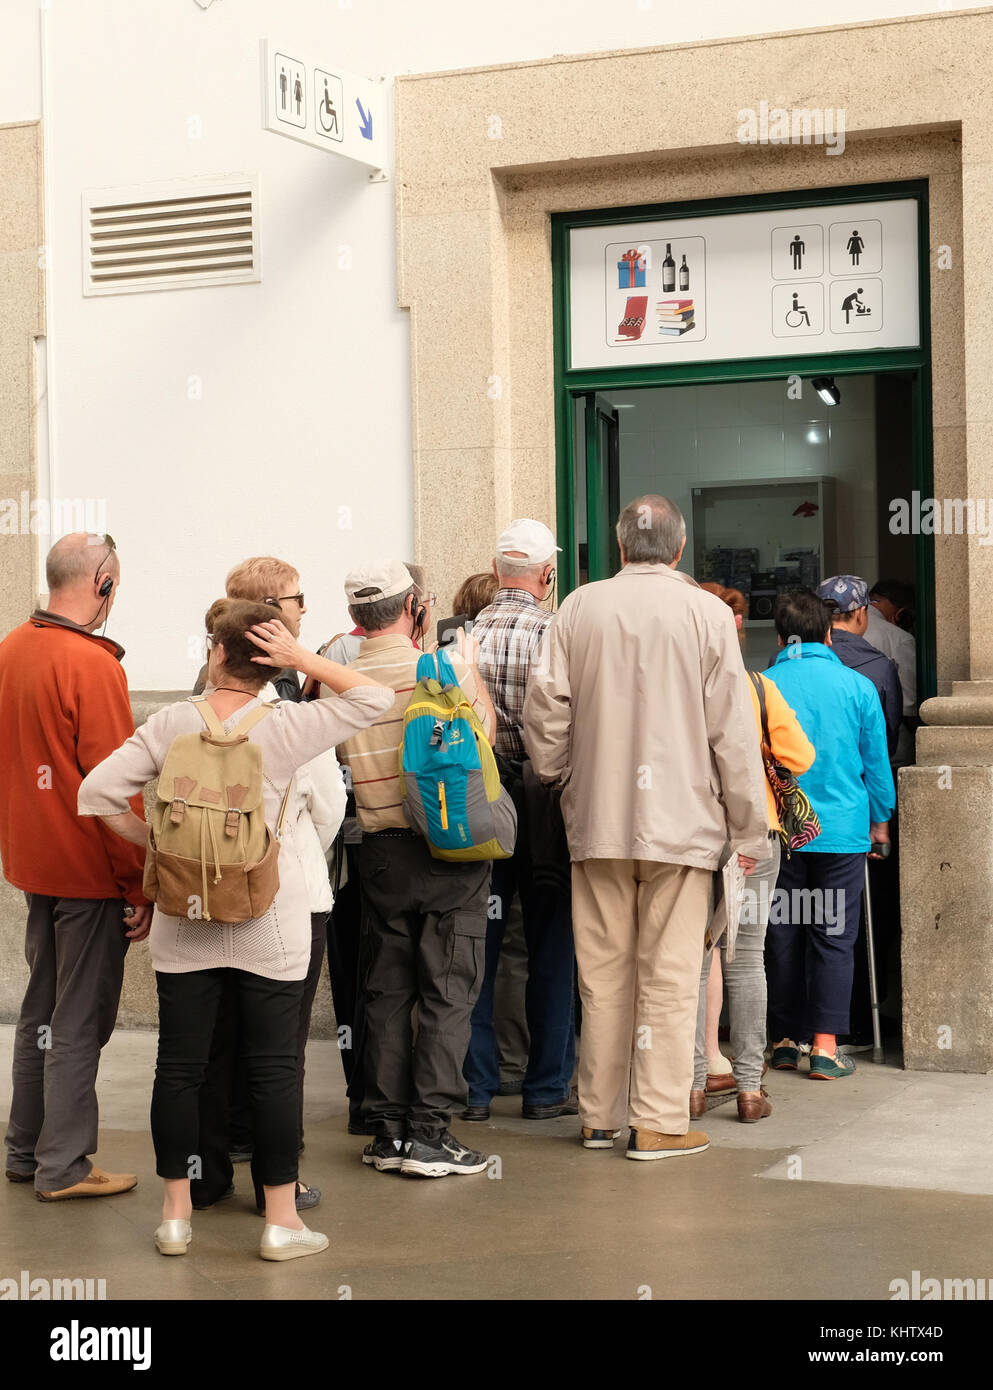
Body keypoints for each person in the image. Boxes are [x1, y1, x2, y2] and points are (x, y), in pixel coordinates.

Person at [77, 602, 391, 1260]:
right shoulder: (288, 728)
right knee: (275, 1071)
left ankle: (175, 1216)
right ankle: (280, 1222)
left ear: (214, 653)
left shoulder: (169, 724)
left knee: (180, 1068)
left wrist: (155, 850)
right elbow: (375, 698)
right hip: (267, 919)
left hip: (180, 922)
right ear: (267, 662)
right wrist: (304, 661)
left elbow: (97, 793)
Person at [524, 496, 769, 1160]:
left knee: (600, 976)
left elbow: (545, 708)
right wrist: (747, 828)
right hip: (683, 827)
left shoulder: (577, 607)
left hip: (596, 822)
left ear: (619, 546)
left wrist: (561, 776)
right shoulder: (707, 614)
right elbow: (732, 732)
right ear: (680, 548)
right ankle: (657, 1121)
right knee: (668, 975)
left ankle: (599, 1116)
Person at [327, 560, 500, 1177]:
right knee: (448, 991)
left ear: (355, 616)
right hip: (446, 852)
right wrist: (470, 668)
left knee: (388, 992)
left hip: (378, 853)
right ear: (415, 609)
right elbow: (486, 742)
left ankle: (389, 1132)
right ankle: (430, 1132)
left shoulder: (335, 680)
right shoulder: (441, 670)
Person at [0, 532, 151, 1201]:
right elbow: (115, 787)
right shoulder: (94, 665)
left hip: (35, 863)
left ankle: (26, 1152)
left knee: (42, 1012)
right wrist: (138, 881)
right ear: (104, 582)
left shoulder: (11, 649)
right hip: (88, 870)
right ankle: (63, 1167)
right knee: (79, 1023)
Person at [188, 597, 345, 1216]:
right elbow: (329, 813)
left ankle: (205, 1174)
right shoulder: (299, 725)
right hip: (293, 898)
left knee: (211, 1043)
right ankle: (278, 1185)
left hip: (205, 892)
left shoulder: (189, 718)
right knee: (280, 1052)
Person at [463, 520, 576, 1122]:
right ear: (545, 574)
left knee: (478, 945)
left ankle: (476, 1090)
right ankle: (546, 1087)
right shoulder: (555, 634)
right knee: (553, 944)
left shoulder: (463, 636)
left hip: (479, 800)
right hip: (544, 800)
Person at [690, 586, 815, 1123]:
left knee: (693, 963)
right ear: (736, 628)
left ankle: (692, 1086)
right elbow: (800, 755)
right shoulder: (757, 686)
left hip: (693, 837)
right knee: (746, 960)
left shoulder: (680, 688)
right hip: (754, 837)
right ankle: (746, 1088)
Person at [319, 563, 433, 1135]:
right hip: (434, 846)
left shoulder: (334, 668)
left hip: (366, 842)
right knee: (435, 986)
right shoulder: (436, 670)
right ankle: (426, 1117)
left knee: (376, 982)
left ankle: (375, 1109)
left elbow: (330, 761)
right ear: (412, 606)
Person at [764, 590, 894, 1080]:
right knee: (834, 936)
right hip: (841, 831)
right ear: (826, 634)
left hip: (781, 830)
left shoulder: (763, 685)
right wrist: (880, 820)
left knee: (781, 932)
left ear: (781, 637)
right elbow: (876, 765)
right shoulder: (856, 686)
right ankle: (824, 1046)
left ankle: (782, 1040)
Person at [816, 575, 902, 759]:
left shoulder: (795, 660)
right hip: (859, 778)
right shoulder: (881, 667)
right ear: (860, 613)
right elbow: (888, 741)